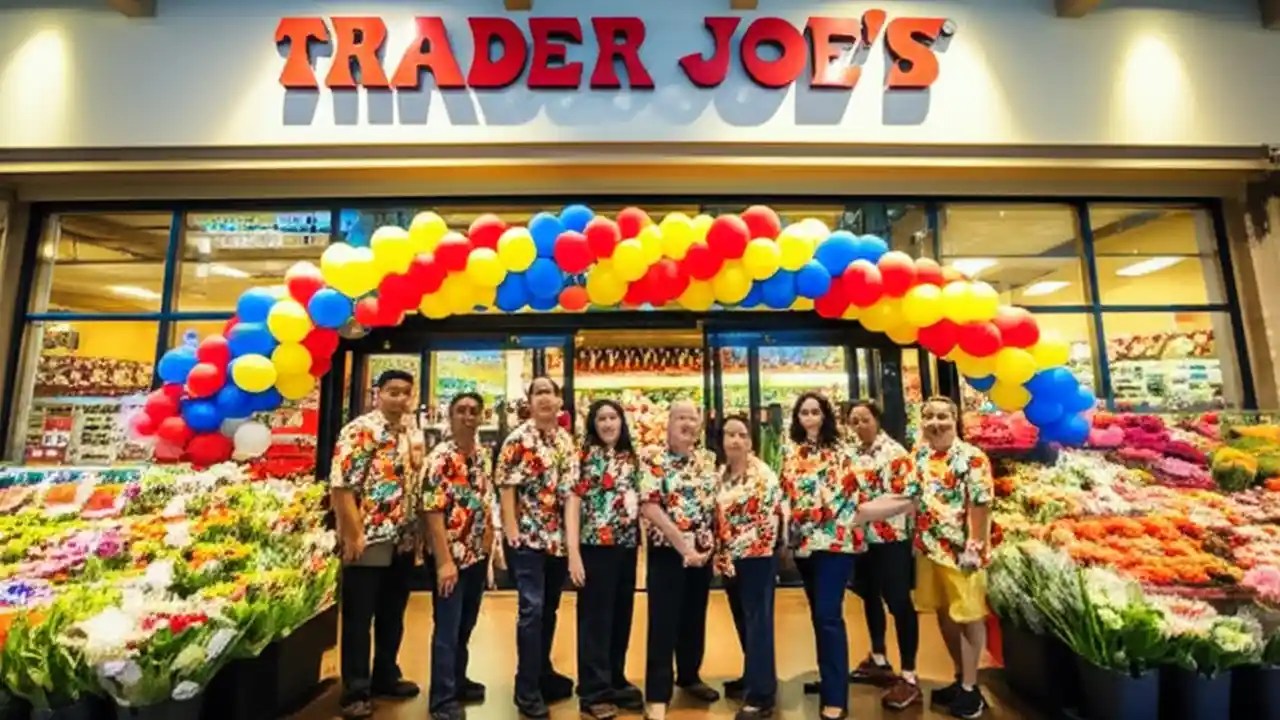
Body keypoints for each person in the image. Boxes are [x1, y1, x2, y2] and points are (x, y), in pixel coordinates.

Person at [854, 396, 993, 719]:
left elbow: (981, 505)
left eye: (942, 416)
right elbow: (906, 498)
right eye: (929, 417)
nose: (935, 423)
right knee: (945, 615)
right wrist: (857, 514)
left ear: (955, 419)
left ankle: (971, 689)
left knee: (968, 618)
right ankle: (960, 677)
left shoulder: (972, 458)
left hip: (962, 555)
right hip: (929, 549)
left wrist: (975, 546)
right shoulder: (920, 456)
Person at [330, 370, 424, 720]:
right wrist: (353, 534)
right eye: (392, 392)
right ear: (377, 394)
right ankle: (355, 690)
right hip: (369, 536)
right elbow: (342, 486)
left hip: (402, 537)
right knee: (360, 617)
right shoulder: (361, 430)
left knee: (392, 612)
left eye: (405, 393)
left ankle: (386, 674)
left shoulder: (409, 432)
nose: (400, 399)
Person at [497, 376, 579, 720]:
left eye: (550, 393)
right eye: (538, 393)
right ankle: (526, 687)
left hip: (556, 541)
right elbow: (506, 486)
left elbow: (572, 491)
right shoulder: (517, 440)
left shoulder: (565, 440)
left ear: (559, 401)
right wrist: (511, 531)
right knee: (531, 610)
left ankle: (543, 672)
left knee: (549, 609)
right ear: (529, 401)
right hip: (528, 539)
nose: (545, 398)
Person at [639, 399, 722, 720]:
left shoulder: (707, 460)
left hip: (701, 553)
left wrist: (707, 547)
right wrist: (682, 546)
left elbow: (716, 504)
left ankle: (689, 676)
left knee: (694, 616)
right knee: (663, 621)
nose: (687, 424)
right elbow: (649, 506)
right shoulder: (653, 459)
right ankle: (657, 695)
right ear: (669, 423)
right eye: (680, 418)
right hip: (668, 552)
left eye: (692, 419)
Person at [781, 391, 860, 720]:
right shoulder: (791, 452)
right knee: (819, 616)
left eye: (815, 412)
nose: (810, 418)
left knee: (829, 616)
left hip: (834, 542)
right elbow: (785, 493)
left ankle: (836, 698)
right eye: (804, 413)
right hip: (804, 545)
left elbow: (852, 494)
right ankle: (830, 680)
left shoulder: (843, 451)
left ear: (825, 415)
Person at [567, 399, 644, 720]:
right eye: (602, 418)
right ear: (593, 424)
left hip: (626, 548)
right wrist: (573, 553)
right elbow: (573, 502)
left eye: (613, 417)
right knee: (595, 621)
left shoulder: (631, 457)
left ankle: (614, 678)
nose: (608, 424)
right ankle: (593, 691)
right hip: (594, 547)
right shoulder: (584, 456)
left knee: (621, 617)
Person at [421, 392, 494, 720]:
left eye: (473, 411)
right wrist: (444, 561)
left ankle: (458, 680)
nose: (467, 416)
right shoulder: (440, 458)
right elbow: (432, 511)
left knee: (465, 624)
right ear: (450, 416)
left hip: (476, 555)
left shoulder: (482, 456)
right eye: (461, 411)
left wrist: (490, 548)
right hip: (450, 557)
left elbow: (485, 502)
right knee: (447, 629)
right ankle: (442, 698)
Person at [846, 400, 922, 710]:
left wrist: (865, 511)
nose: (860, 425)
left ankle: (910, 675)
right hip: (862, 539)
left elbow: (906, 496)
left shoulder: (895, 453)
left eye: (865, 419)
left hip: (892, 538)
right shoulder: (852, 453)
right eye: (854, 421)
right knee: (869, 594)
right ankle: (878, 657)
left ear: (877, 420)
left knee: (898, 601)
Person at [714, 416, 786, 720]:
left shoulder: (762, 475)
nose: (735, 440)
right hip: (730, 559)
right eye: (729, 434)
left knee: (758, 622)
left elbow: (770, 520)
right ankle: (754, 674)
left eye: (742, 435)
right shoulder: (721, 474)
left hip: (757, 557)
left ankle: (761, 695)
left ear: (750, 441)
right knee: (743, 619)